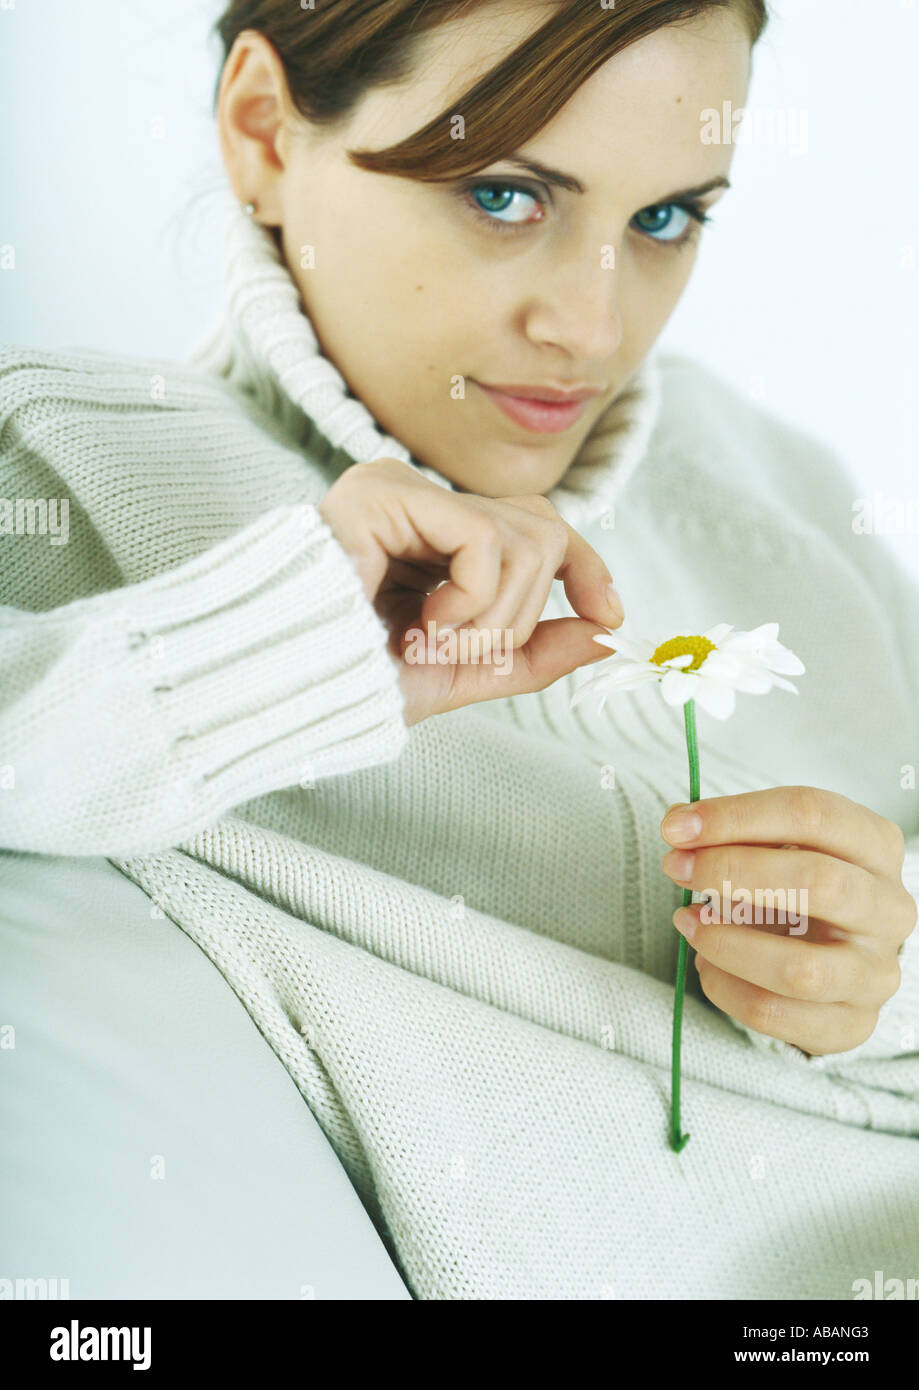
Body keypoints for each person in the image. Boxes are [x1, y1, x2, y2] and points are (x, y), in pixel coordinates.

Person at [2, 0, 918, 1300]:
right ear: (262, 128)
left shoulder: (774, 486)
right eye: (504, 193)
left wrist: (889, 976)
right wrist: (273, 649)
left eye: (667, 218)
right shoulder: (63, 463)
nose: (592, 328)